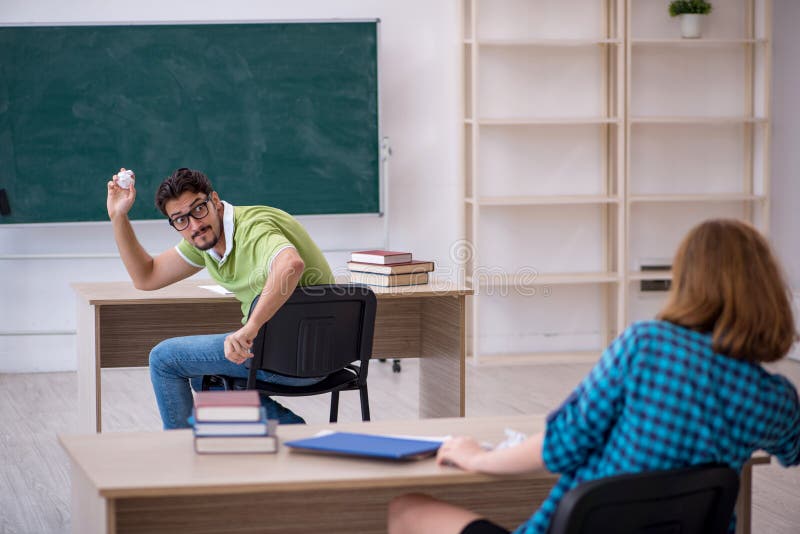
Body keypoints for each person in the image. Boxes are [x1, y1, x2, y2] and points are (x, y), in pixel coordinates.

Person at [388, 218, 800, 534]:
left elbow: (563, 445)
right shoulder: (773, 397)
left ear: (688, 282)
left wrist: (476, 456)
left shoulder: (648, 346)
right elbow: (794, 449)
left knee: (407, 508)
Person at [106, 167, 335, 428]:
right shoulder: (204, 240)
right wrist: (118, 217)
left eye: (199, 209)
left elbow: (291, 264)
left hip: (297, 357)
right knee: (200, 375)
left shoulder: (251, 228)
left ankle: (180, 454)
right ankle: (288, 428)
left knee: (164, 359)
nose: (194, 225)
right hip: (324, 354)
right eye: (181, 220)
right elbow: (146, 277)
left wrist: (250, 328)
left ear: (215, 201)